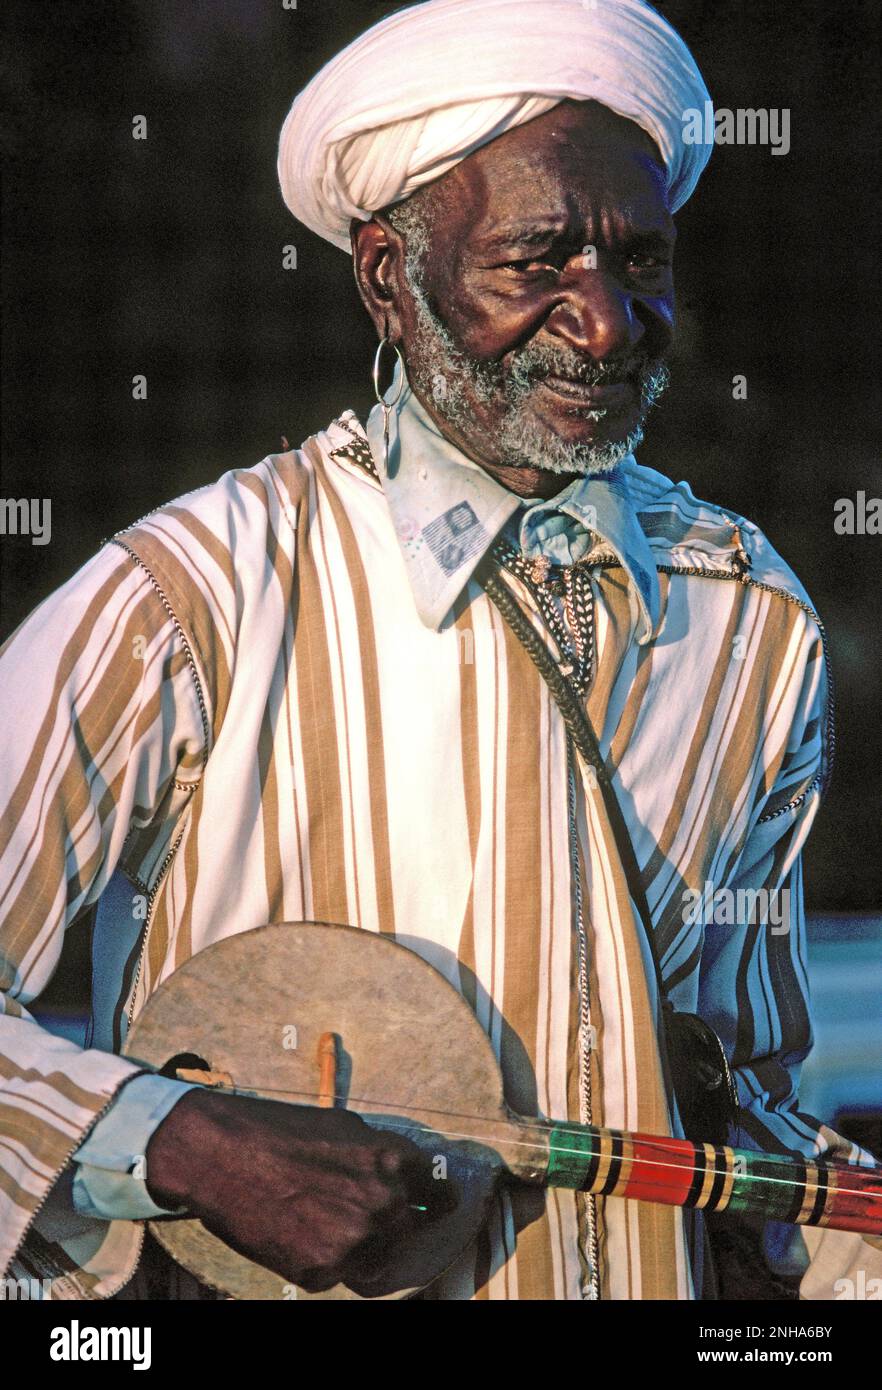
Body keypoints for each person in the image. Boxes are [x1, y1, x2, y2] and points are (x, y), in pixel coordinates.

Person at [0, 0, 866, 1301]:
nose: (604, 321)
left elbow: (740, 1114)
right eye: (534, 263)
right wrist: (173, 1141)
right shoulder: (199, 588)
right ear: (387, 279)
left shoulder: (748, 617)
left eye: (637, 261)